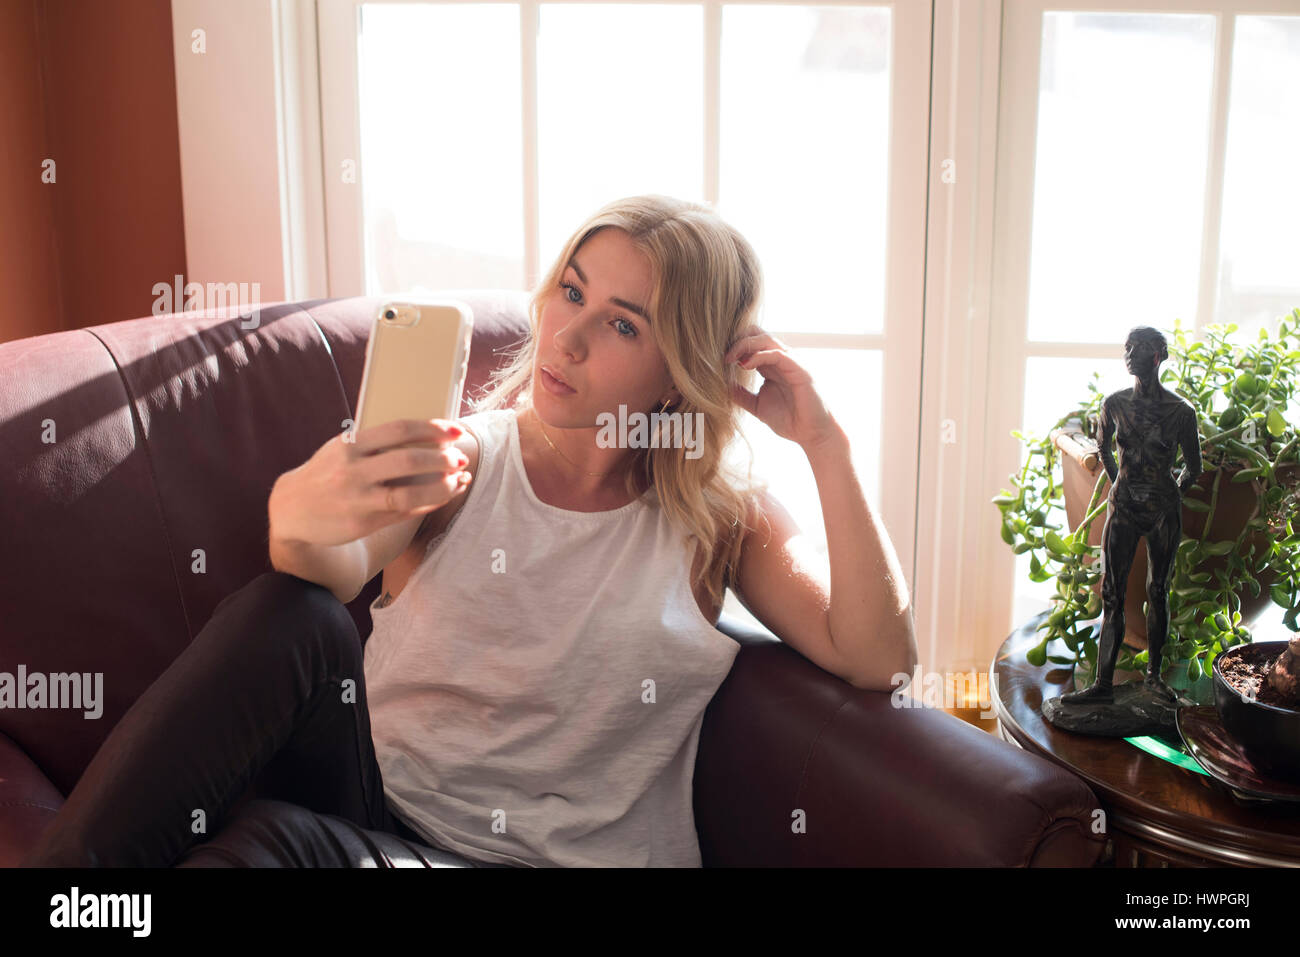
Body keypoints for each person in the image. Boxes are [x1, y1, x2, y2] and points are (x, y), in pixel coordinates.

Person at [24, 194, 917, 868]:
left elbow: (876, 655)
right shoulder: (459, 461)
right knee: (289, 620)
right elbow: (319, 572)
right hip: (378, 816)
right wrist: (303, 514)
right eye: (570, 291)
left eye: (619, 323)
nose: (564, 338)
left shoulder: (720, 517)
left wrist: (826, 444)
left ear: (679, 371)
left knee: (266, 846)